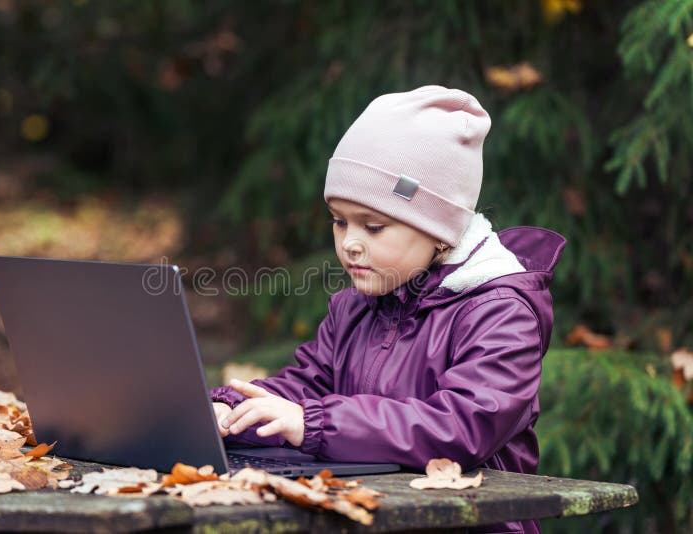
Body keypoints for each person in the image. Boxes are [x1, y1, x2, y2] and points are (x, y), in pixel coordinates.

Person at [210, 85, 566, 534]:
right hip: (372, 516)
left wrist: (317, 423)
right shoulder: (356, 307)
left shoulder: (500, 312)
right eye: (339, 221)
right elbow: (301, 388)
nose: (350, 243)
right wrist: (229, 412)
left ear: (440, 231)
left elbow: (462, 427)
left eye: (373, 226)